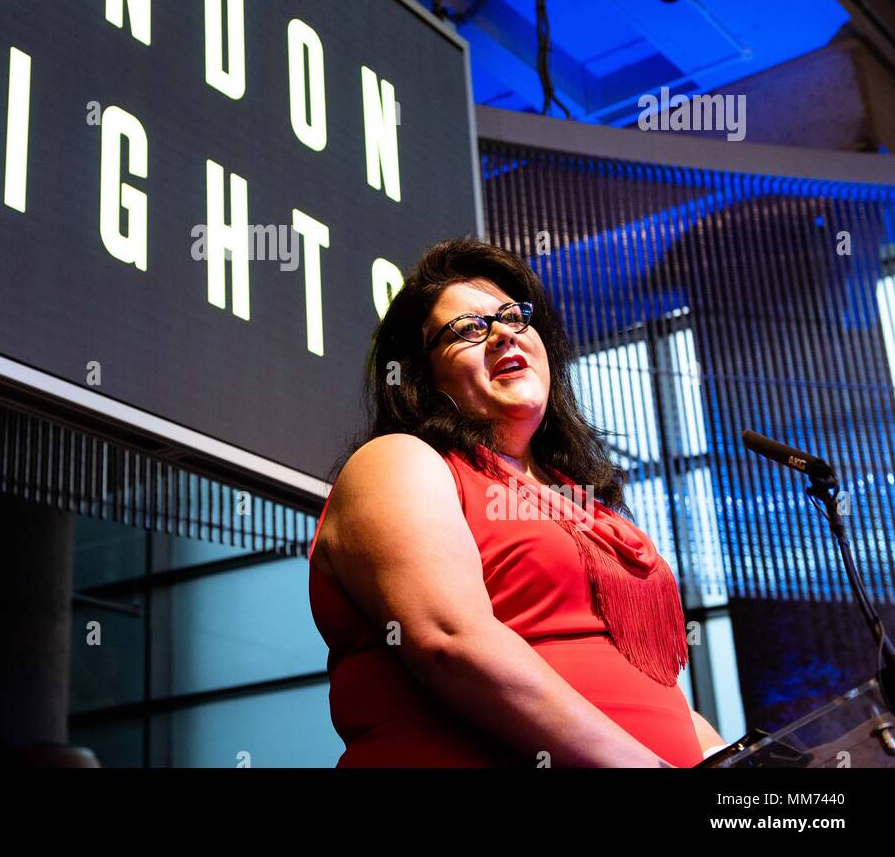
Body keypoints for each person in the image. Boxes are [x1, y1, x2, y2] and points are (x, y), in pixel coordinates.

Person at [308, 236, 727, 767]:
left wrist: (725, 760)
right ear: (419, 375)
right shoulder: (400, 460)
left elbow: (647, 685)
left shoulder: (579, 500)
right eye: (469, 329)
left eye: (513, 316)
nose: (503, 333)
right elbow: (450, 640)